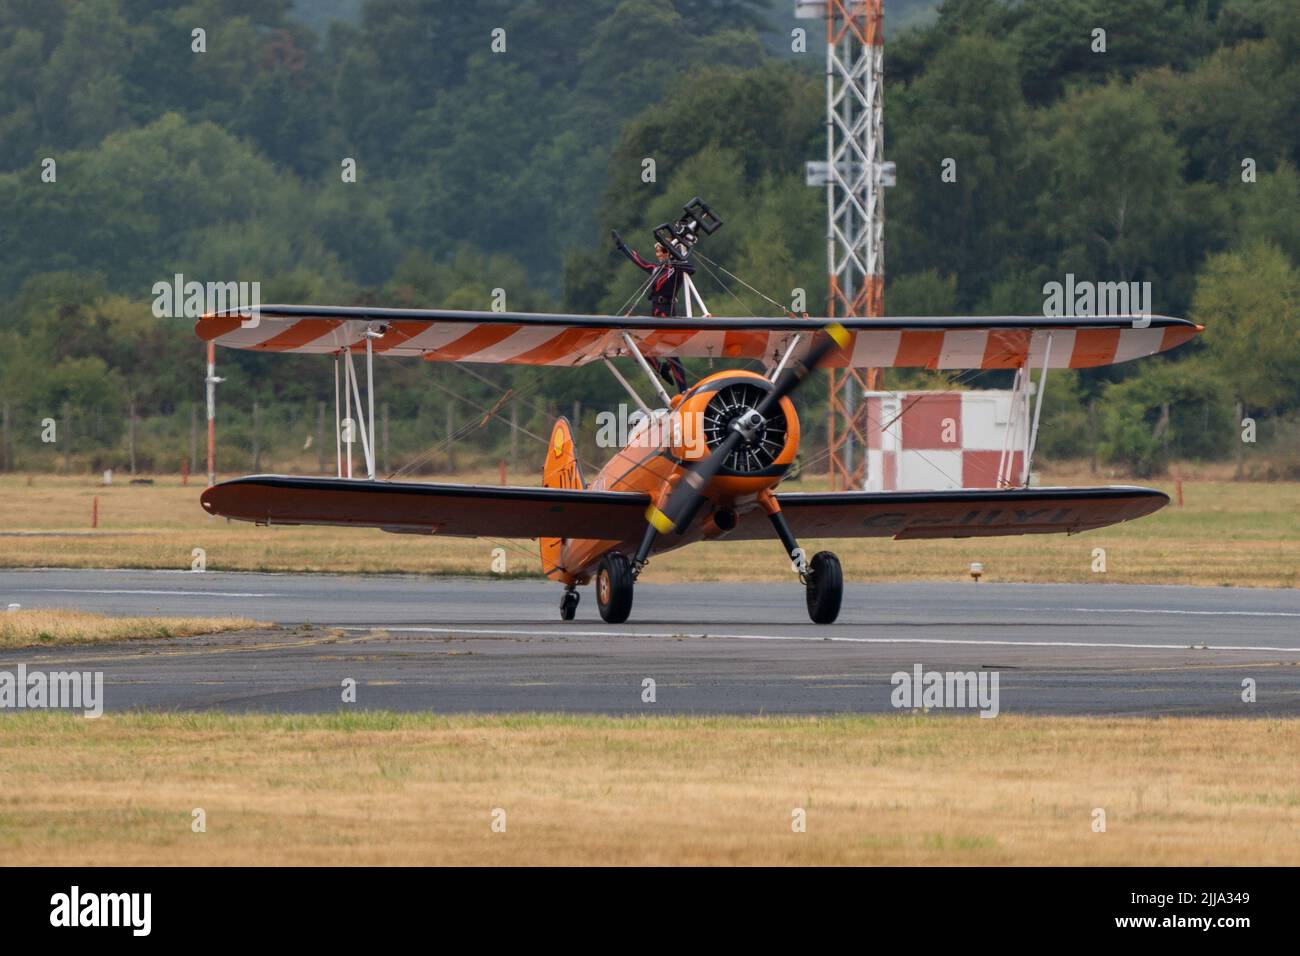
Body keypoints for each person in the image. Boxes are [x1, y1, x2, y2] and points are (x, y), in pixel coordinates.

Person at [612, 229, 692, 393]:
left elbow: (691, 269)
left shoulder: (675, 269)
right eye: (656, 252)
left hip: (667, 314)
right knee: (636, 345)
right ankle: (660, 368)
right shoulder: (656, 268)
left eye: (660, 251)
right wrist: (623, 247)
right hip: (656, 313)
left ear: (668, 252)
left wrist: (676, 257)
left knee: (670, 353)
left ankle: (683, 390)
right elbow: (639, 261)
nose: (658, 255)